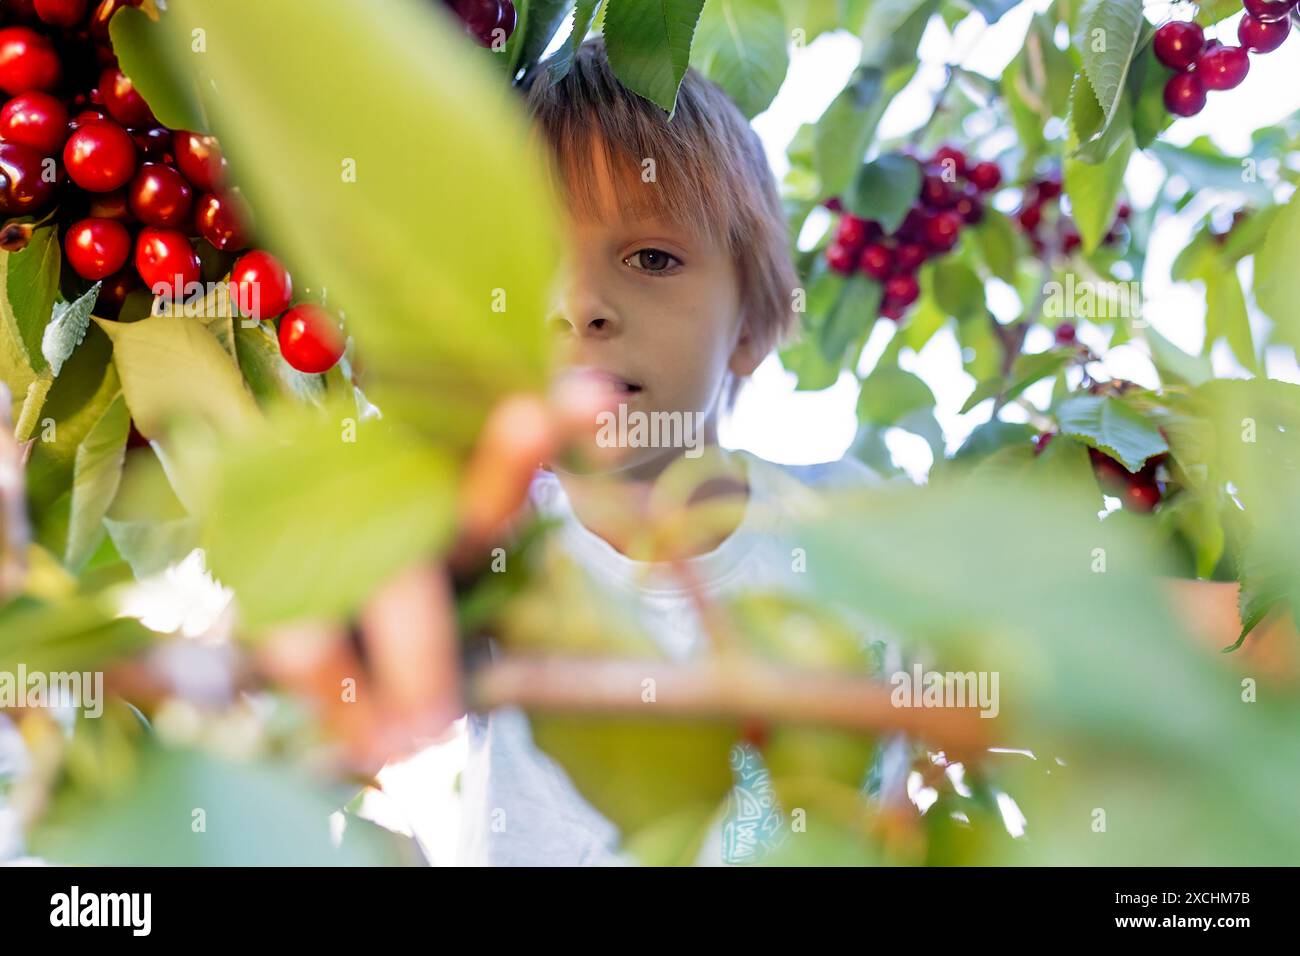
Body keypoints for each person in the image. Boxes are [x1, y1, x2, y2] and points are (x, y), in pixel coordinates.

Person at [454, 38, 911, 867]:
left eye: (652, 258)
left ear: (751, 324)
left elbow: (1137, 642)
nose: (580, 305)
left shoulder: (857, 524)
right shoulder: (496, 550)